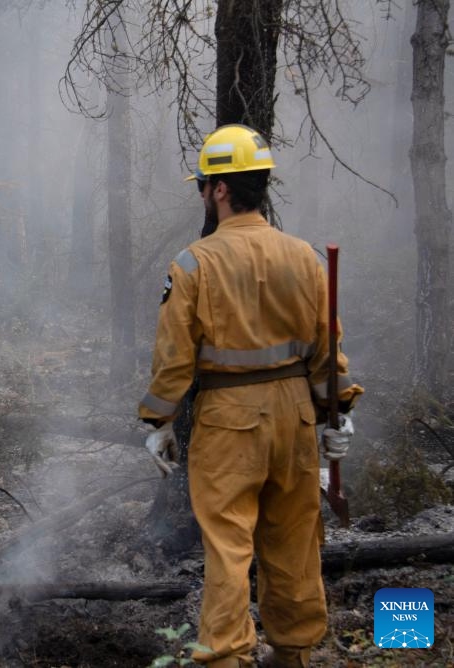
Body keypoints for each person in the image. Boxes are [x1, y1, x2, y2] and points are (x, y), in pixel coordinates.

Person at [138, 124, 363, 668]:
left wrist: (159, 422)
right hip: (295, 420)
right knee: (294, 543)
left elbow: (174, 359)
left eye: (202, 185)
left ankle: (225, 658)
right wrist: (338, 413)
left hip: (228, 422)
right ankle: (292, 654)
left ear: (218, 189)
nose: (202, 195)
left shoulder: (193, 265)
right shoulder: (307, 259)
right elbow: (324, 353)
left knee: (229, 548)